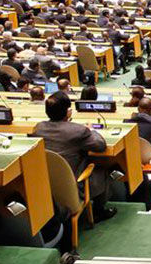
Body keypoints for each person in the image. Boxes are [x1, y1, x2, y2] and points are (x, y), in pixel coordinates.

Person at [33, 91, 116, 221]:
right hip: (73, 185)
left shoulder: (39, 128)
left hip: (45, 182)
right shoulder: (78, 131)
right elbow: (100, 146)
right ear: (68, 112)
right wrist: (91, 130)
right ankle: (98, 212)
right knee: (102, 169)